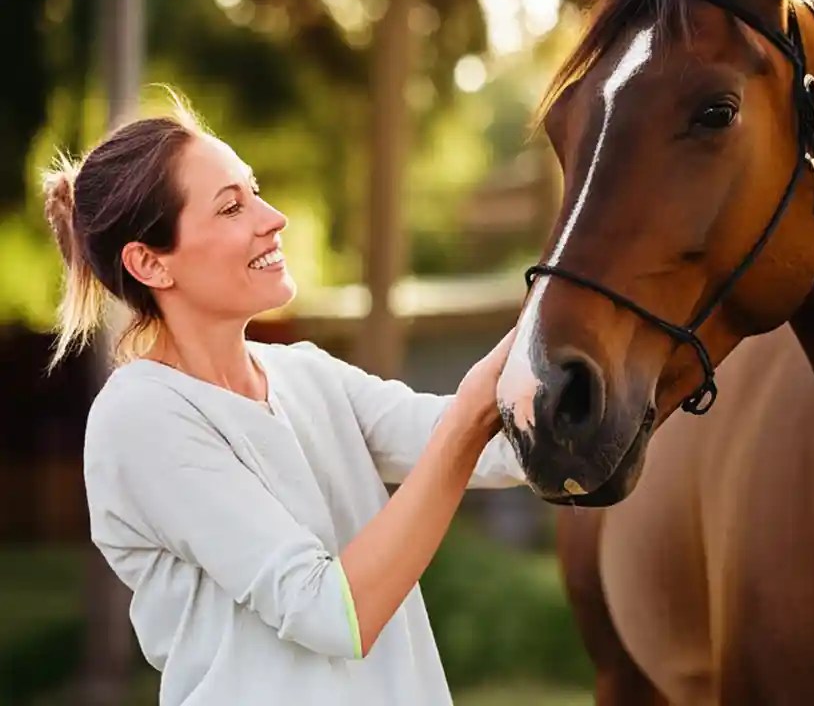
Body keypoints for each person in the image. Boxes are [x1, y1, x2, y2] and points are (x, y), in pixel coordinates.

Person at [44, 98, 527, 705]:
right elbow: (333, 612)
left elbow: (497, 442)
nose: (273, 219)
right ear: (149, 263)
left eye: (255, 191)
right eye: (230, 207)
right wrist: (471, 417)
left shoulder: (306, 374)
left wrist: (589, 338)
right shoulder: (140, 419)